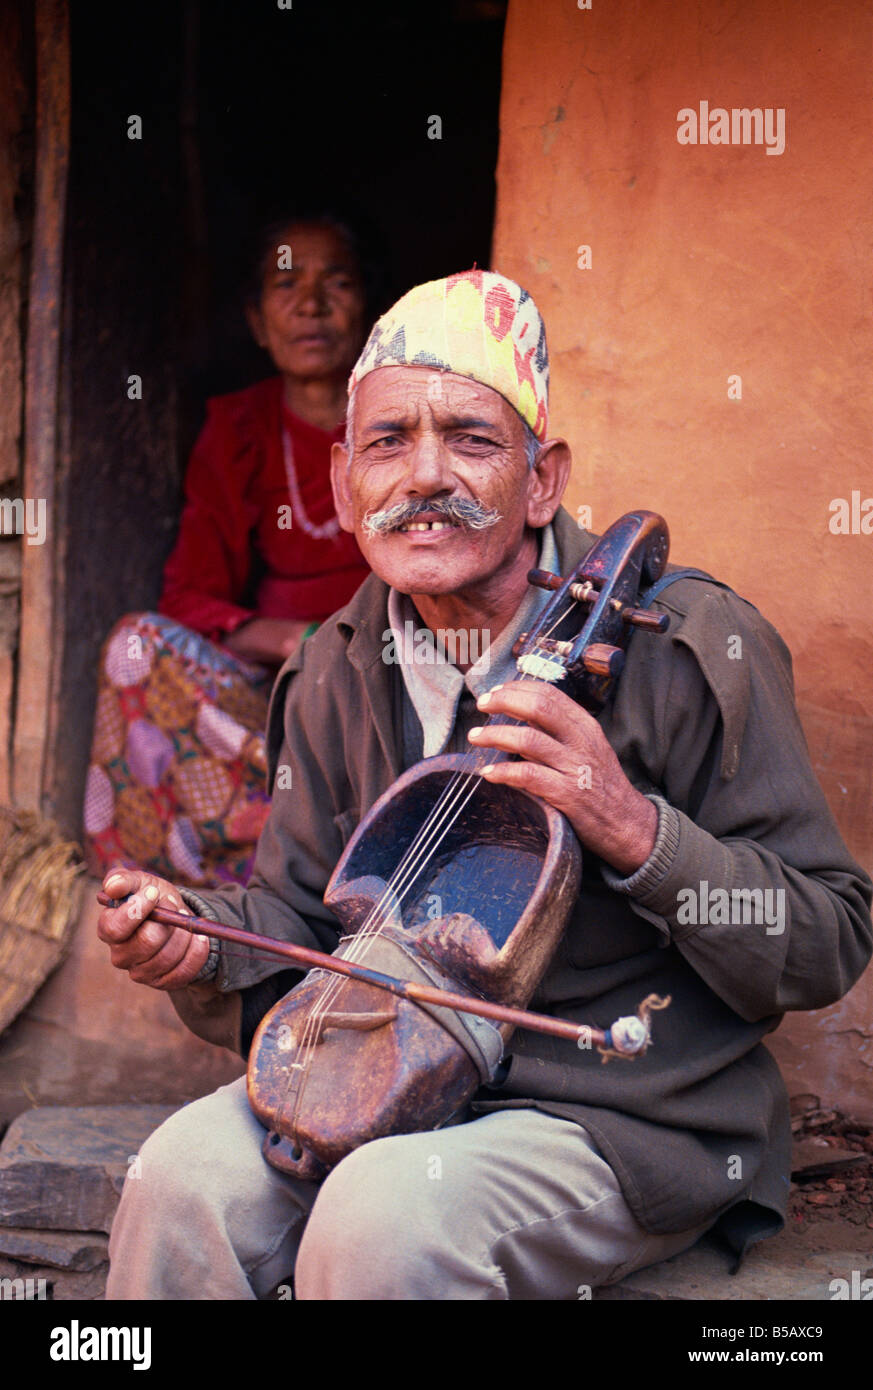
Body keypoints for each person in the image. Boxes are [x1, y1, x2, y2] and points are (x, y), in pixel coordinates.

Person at [97, 270, 872, 1301]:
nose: (423, 476)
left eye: (468, 438)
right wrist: (199, 945)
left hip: (615, 1111)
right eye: (387, 443)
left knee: (383, 1221)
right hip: (378, 1072)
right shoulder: (334, 662)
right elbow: (296, 918)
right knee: (174, 1181)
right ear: (342, 486)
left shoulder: (691, 646)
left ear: (543, 479)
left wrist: (634, 828)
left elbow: (828, 937)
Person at [83, 215, 373, 887]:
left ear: (368, 309)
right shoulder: (239, 426)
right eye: (285, 283)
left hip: (378, 685)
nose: (311, 305)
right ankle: (179, 890)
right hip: (268, 697)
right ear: (255, 319)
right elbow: (185, 598)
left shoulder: (397, 419)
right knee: (135, 646)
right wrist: (292, 641)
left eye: (337, 281)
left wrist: (342, 650)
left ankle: (316, 862)